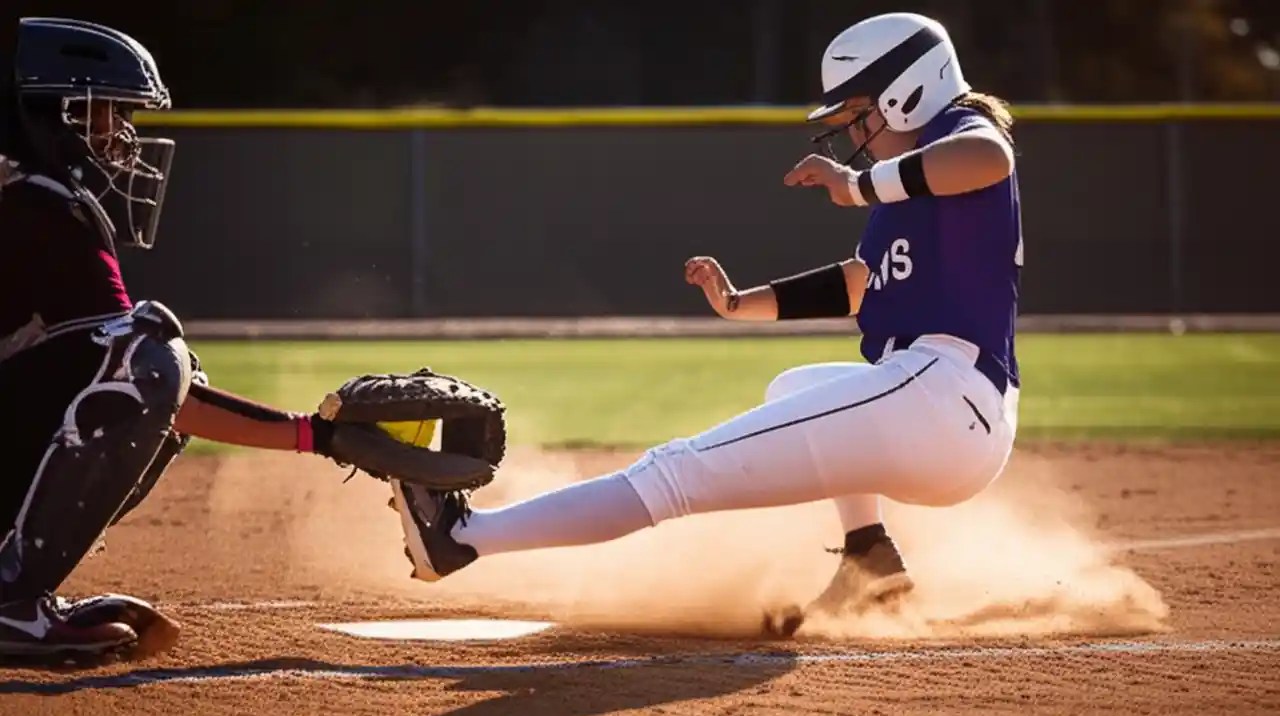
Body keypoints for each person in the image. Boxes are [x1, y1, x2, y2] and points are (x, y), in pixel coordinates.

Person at [394, 11, 1023, 636]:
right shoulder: (910, 189)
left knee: (676, 472)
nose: (854, 132)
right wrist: (742, 303)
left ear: (908, 93)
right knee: (795, 386)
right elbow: (863, 282)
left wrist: (857, 185)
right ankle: (871, 562)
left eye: (861, 113)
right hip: (946, 410)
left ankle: (464, 538)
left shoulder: (958, 133)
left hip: (943, 395)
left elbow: (988, 156)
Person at [0, 17, 373, 660]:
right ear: (50, 113)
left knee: (144, 364)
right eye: (104, 114)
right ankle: (9, 597)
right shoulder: (40, 212)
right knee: (148, 355)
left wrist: (321, 436)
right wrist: (322, 436)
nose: (120, 136)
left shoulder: (25, 199)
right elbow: (151, 382)